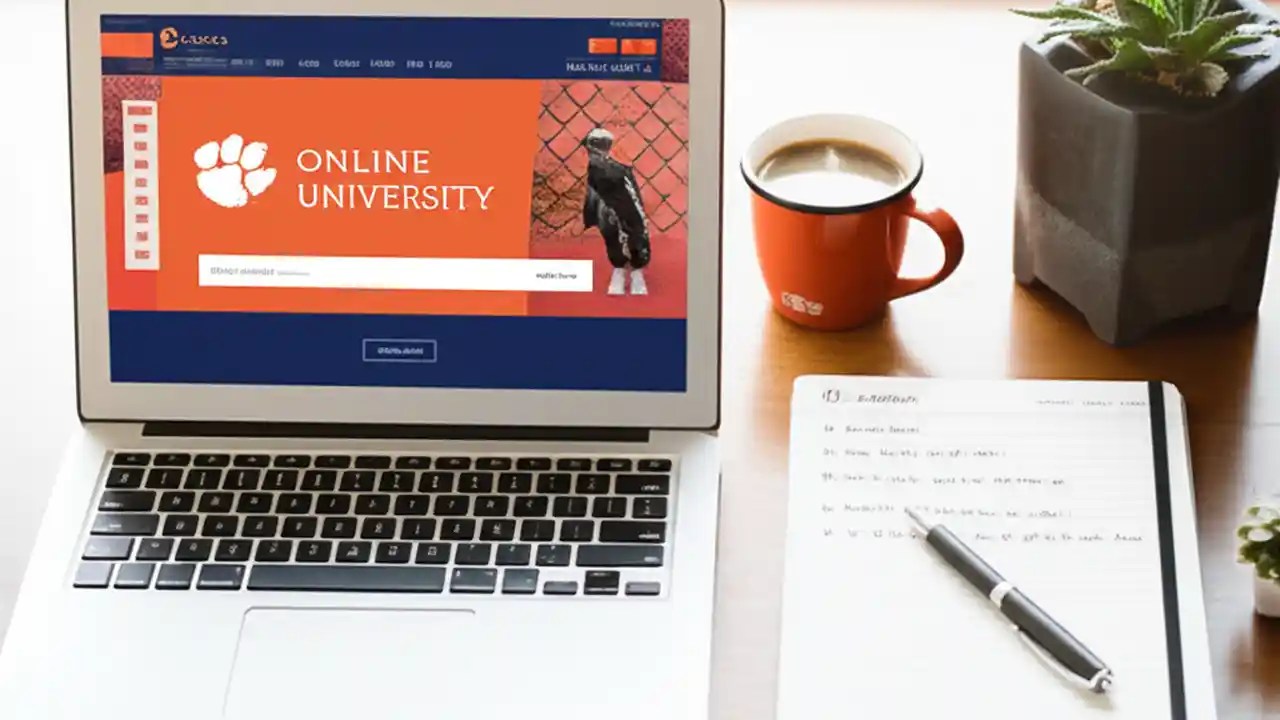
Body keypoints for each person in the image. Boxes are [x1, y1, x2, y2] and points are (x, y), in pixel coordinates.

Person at [582, 127, 651, 295]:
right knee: (610, 232)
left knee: (634, 228)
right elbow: (593, 192)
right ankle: (619, 268)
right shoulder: (594, 170)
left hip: (624, 197)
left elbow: (635, 203)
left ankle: (636, 271)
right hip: (608, 206)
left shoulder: (620, 171)